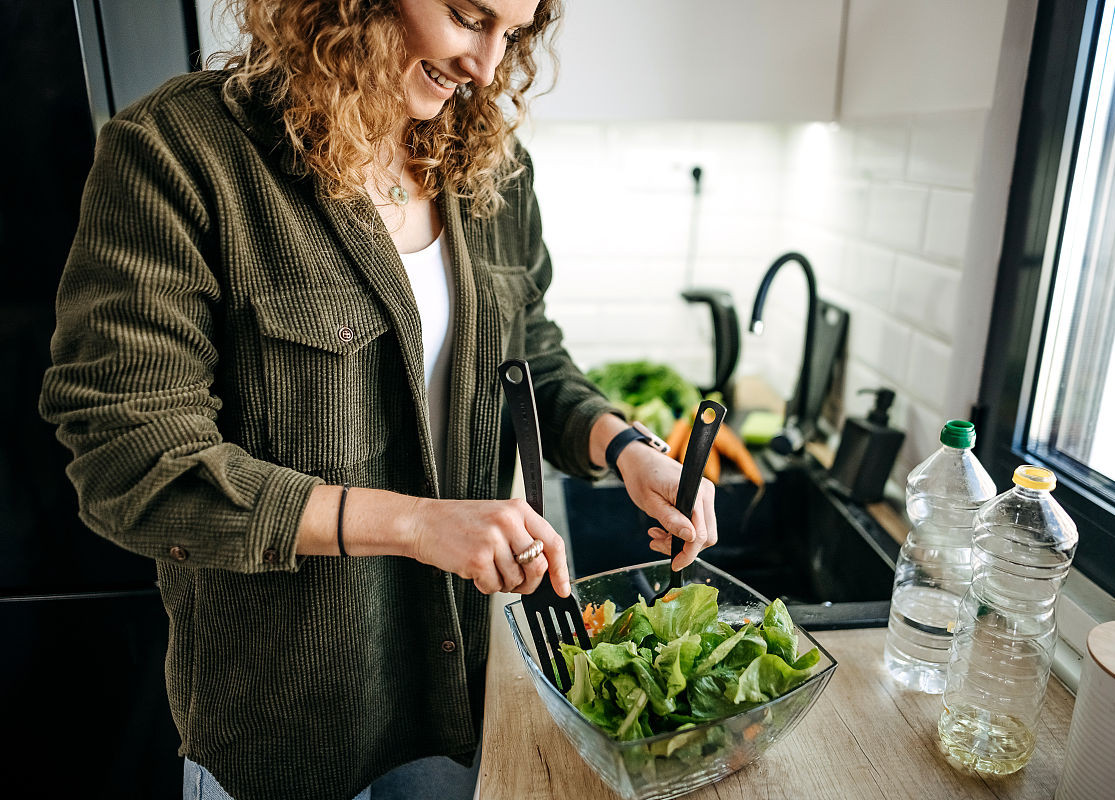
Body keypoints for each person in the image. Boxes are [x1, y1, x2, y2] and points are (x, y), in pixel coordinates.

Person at [38, 0, 719, 799]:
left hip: (466, 687)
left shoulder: (489, 163)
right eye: (468, 16)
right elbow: (134, 461)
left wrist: (624, 446)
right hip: (289, 726)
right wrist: (418, 524)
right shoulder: (179, 157)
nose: (488, 67)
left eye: (515, 33)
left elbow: (530, 358)